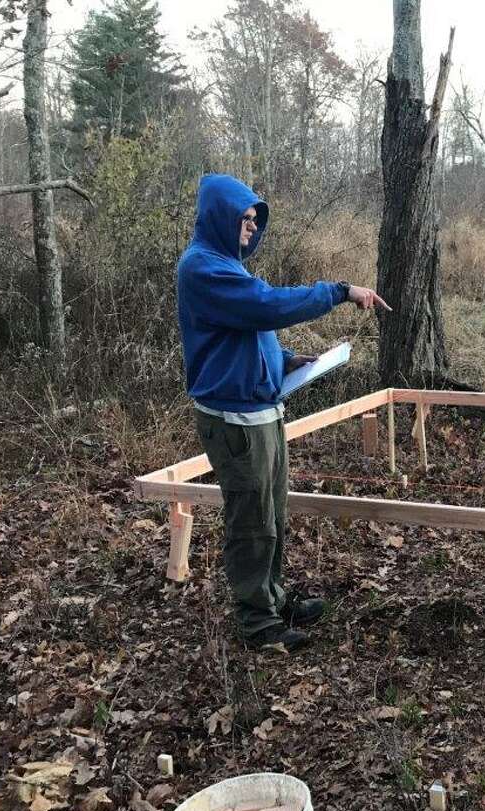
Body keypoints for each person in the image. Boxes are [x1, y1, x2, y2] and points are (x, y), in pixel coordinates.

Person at [176, 173, 390, 652]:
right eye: (244, 219)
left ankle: (272, 597)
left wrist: (285, 359)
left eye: (255, 220)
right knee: (251, 522)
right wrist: (339, 291)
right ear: (220, 218)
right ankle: (257, 624)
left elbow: (247, 331)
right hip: (235, 422)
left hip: (262, 413)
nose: (251, 227)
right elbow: (265, 307)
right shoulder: (202, 268)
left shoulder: (227, 265)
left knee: (270, 514)